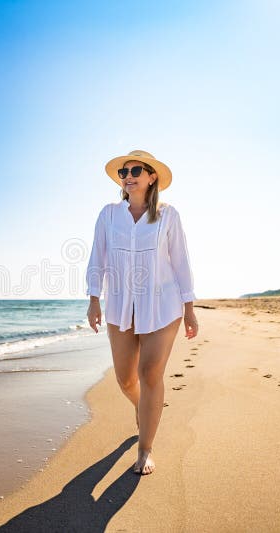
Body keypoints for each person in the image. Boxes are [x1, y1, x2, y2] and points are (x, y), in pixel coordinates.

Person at [85, 149, 199, 475]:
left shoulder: (168, 216)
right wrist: (93, 299)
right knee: (125, 379)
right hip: (120, 307)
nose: (128, 176)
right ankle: (141, 406)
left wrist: (189, 309)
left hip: (163, 306)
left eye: (136, 170)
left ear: (151, 177)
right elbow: (97, 259)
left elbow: (181, 262)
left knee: (150, 374)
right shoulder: (108, 215)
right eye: (123, 172)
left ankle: (145, 448)